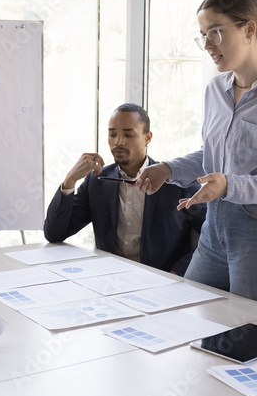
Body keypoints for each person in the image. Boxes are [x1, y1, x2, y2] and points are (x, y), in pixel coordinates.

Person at [135, 0, 257, 309]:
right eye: (203, 35)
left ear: (249, 30)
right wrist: (169, 168)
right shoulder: (215, 90)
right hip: (214, 228)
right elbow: (213, 156)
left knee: (256, 338)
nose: (207, 45)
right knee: (193, 320)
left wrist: (229, 184)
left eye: (216, 32)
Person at [44, 104, 206, 275]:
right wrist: (70, 180)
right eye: (112, 134)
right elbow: (54, 233)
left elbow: (212, 238)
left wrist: (178, 271)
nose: (118, 141)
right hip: (109, 278)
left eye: (128, 134)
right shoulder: (97, 181)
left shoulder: (175, 180)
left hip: (160, 280)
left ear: (147, 138)